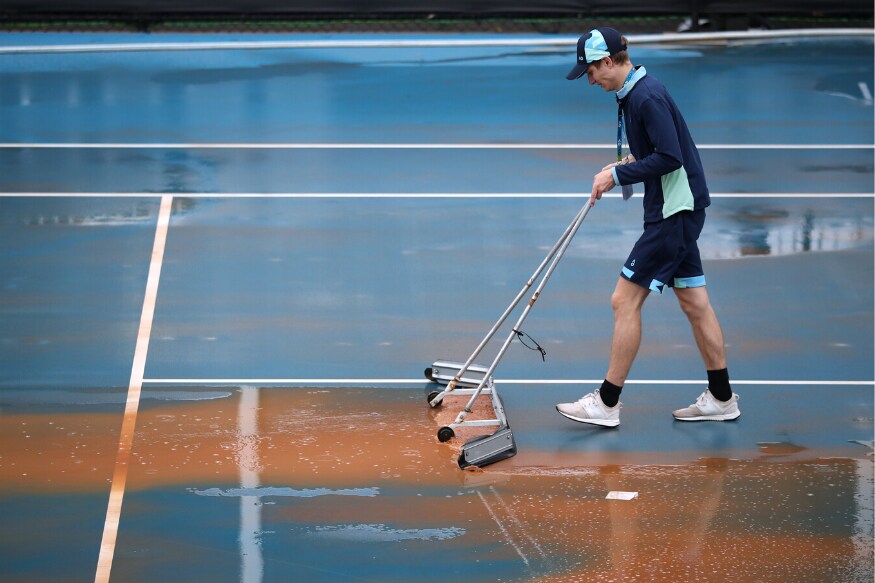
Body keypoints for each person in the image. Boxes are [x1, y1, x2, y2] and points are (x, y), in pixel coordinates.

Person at [555, 28, 740, 427]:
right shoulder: (636, 92)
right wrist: (622, 166)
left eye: (590, 71)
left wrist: (619, 179)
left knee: (624, 301)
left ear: (608, 62)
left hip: (675, 214)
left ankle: (606, 403)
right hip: (680, 209)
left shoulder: (646, 96)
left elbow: (671, 156)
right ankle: (722, 398)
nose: (589, 80)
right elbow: (656, 151)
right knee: (694, 303)